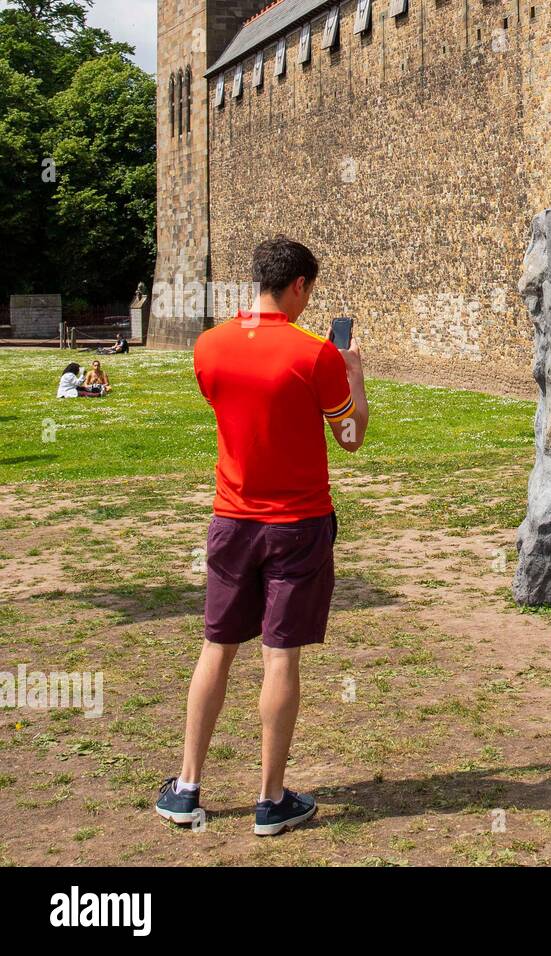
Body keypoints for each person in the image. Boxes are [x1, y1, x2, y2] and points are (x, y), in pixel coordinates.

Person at [154, 237, 369, 836]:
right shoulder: (316, 354)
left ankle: (187, 787)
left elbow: (226, 408)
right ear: (299, 285)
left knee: (216, 647)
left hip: (231, 520)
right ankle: (270, 800)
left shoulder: (210, 345)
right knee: (280, 656)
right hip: (297, 525)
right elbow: (349, 436)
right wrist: (354, 375)